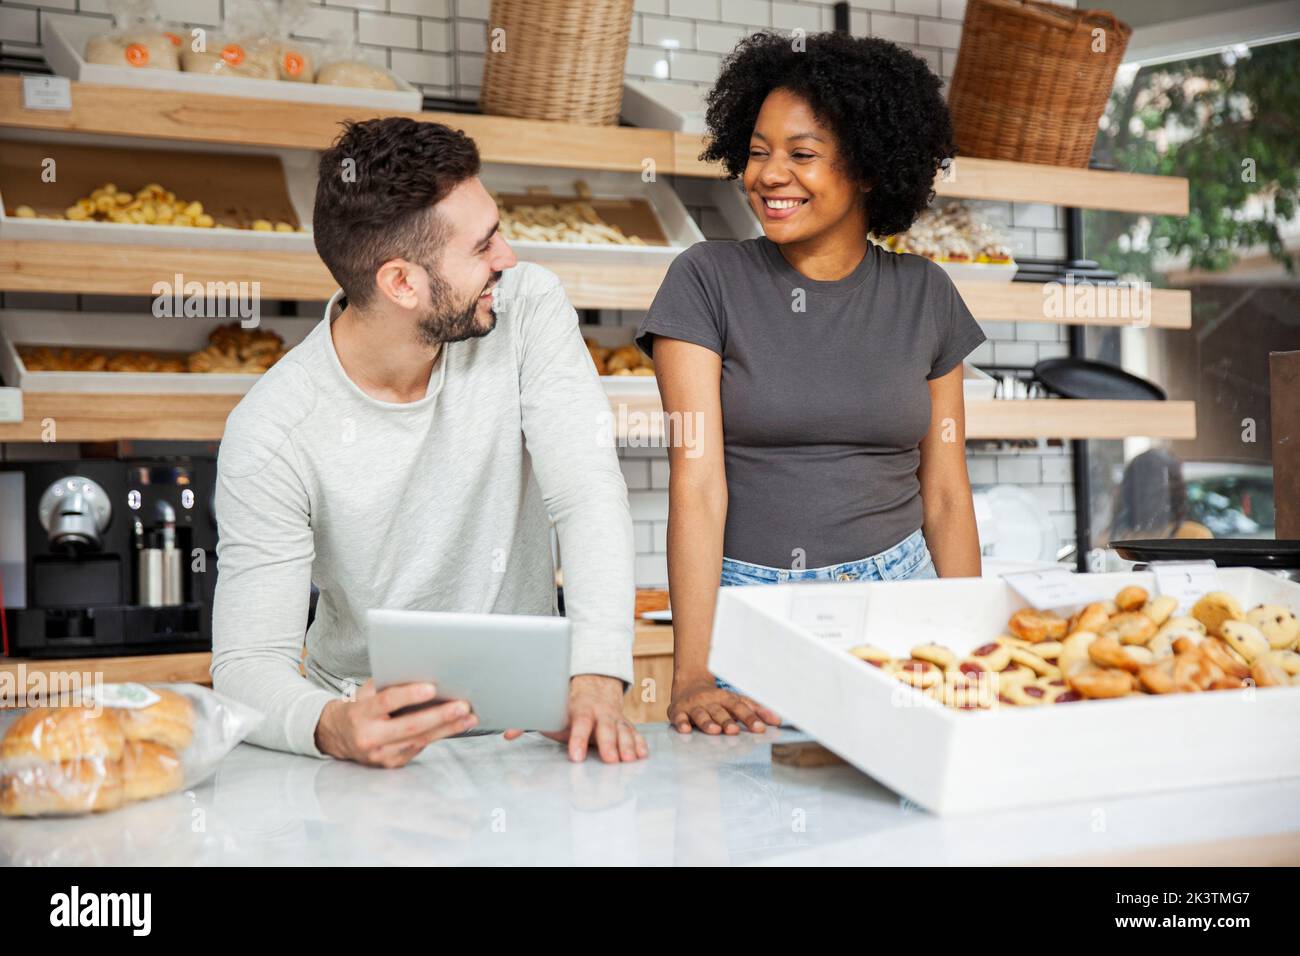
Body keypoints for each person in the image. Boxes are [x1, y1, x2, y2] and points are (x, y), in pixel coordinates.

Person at [211, 117, 647, 767]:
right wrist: (333, 726)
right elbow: (248, 665)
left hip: (528, 733)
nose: (508, 258)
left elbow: (586, 493)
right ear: (401, 284)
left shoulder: (527, 307)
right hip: (366, 749)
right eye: (483, 247)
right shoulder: (272, 431)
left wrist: (595, 675)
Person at [636, 33, 986, 736]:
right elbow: (698, 485)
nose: (769, 174)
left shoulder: (927, 294)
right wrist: (693, 672)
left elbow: (946, 491)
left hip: (900, 603)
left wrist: (975, 646)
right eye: (759, 151)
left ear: (868, 168)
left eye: (801, 154)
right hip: (751, 611)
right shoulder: (706, 282)